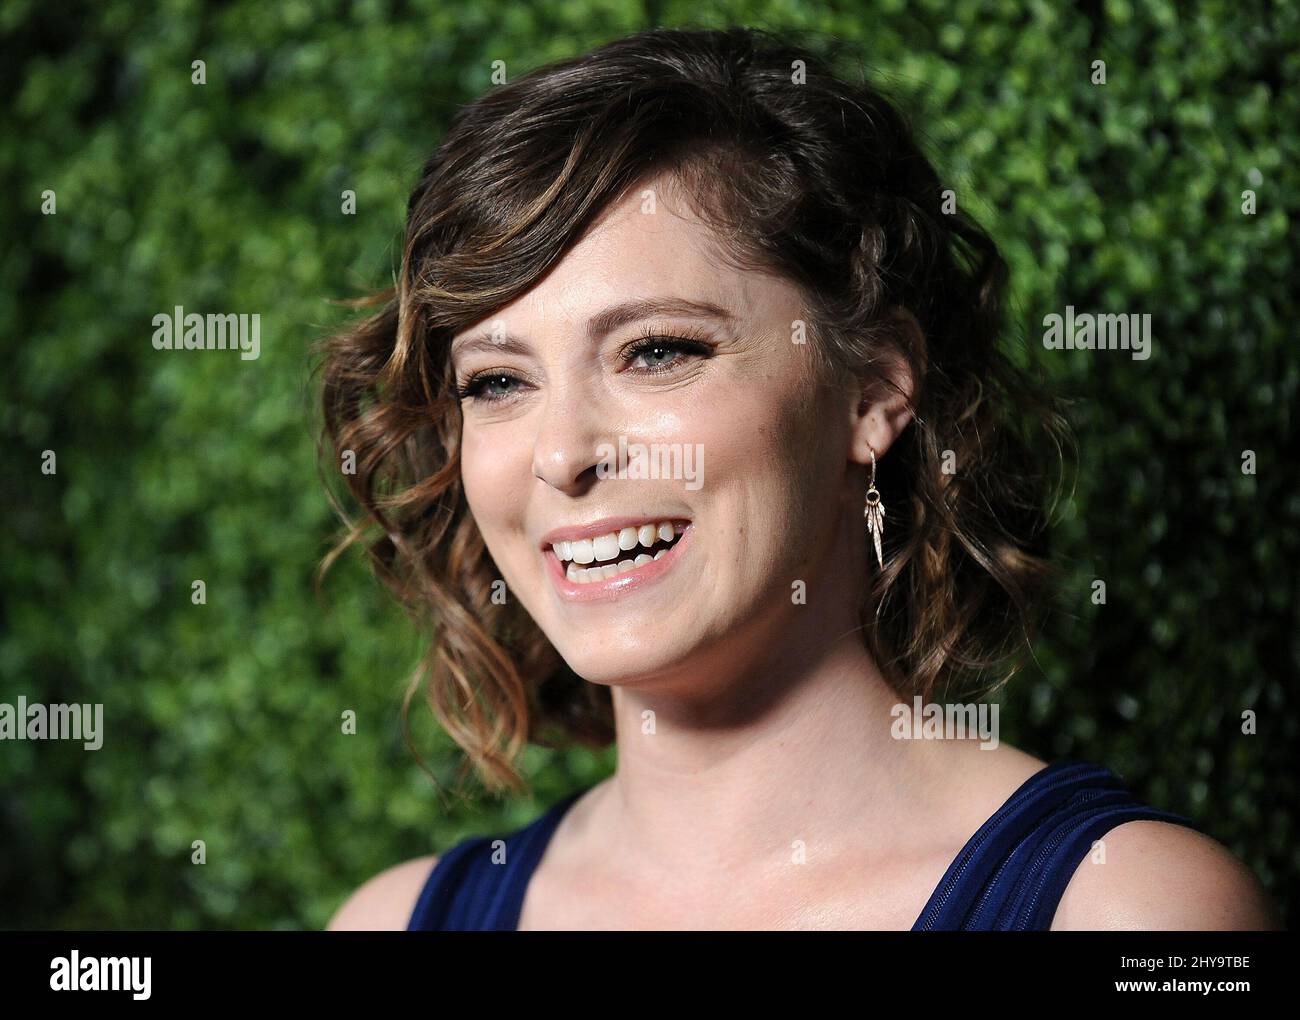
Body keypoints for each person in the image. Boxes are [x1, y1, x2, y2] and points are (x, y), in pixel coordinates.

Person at [320, 26, 1277, 930]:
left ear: (873, 387)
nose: (563, 455)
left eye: (656, 351)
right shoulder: (395, 923)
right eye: (497, 381)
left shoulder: (1129, 912)